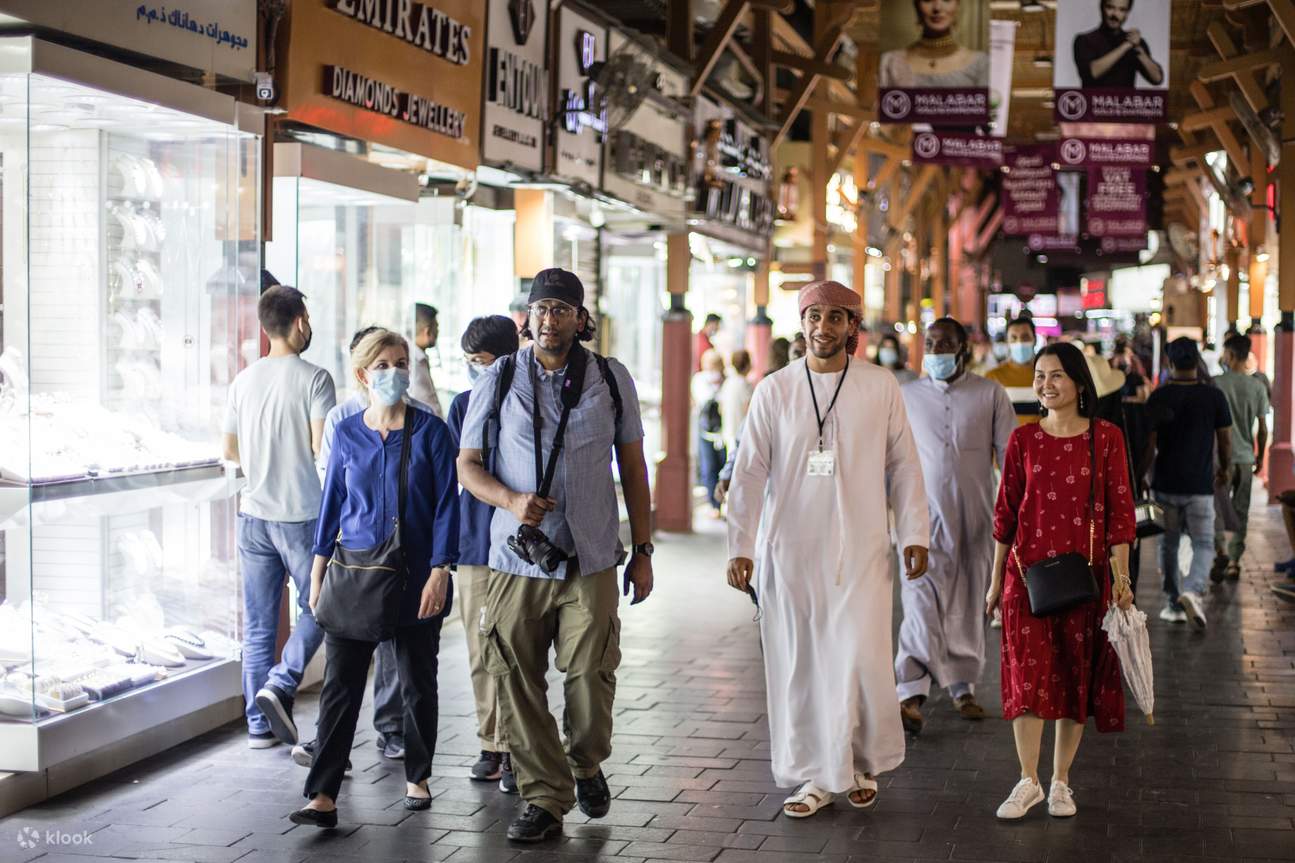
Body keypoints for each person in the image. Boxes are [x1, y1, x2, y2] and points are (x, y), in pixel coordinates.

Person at [457, 268, 654, 843]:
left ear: (579, 318)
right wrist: (510, 499)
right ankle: (544, 797)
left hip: (590, 554)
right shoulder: (499, 377)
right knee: (517, 678)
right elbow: (468, 465)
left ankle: (586, 760)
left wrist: (642, 550)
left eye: (561, 310)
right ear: (527, 316)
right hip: (517, 560)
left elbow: (634, 468)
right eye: (540, 309)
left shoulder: (610, 379)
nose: (549, 319)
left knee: (590, 674)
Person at [725, 280, 929, 819]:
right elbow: (748, 473)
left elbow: (904, 464)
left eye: (836, 318)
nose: (823, 327)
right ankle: (815, 775)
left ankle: (857, 761)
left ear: (852, 327)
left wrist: (914, 534)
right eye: (815, 316)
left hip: (862, 549)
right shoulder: (774, 390)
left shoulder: (879, 385)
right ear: (803, 324)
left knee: (858, 659)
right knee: (804, 664)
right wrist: (740, 544)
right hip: (791, 551)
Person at [290, 330, 459, 829]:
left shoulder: (431, 433)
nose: (395, 372)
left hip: (414, 578)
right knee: (340, 688)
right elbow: (331, 510)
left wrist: (440, 572)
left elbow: (449, 507)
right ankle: (321, 794)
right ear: (363, 375)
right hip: (356, 577)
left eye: (401, 362)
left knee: (415, 683)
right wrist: (317, 579)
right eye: (383, 364)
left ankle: (418, 776)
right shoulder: (345, 434)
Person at [986, 342, 1136, 822]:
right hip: (1026, 580)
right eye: (1039, 376)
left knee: (1074, 678)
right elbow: (1004, 517)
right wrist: (993, 584)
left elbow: (1120, 515)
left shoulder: (1106, 437)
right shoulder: (1022, 441)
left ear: (1078, 383)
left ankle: (1060, 783)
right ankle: (1026, 780)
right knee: (1027, 681)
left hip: (1085, 581)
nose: (1045, 385)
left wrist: (1122, 577)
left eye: (1055, 376)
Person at [222, 285, 336, 750]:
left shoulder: (242, 381)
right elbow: (321, 447)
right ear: (298, 322)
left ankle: (257, 725)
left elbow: (229, 451)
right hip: (302, 515)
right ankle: (283, 681)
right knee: (321, 609)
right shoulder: (315, 378)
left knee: (258, 625)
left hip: (252, 515)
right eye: (307, 318)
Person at [896, 318, 1014, 734]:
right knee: (919, 604)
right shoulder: (905, 396)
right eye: (930, 344)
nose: (936, 351)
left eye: (944, 344)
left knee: (968, 604)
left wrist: (1014, 515)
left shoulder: (990, 394)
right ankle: (910, 691)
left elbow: (1010, 458)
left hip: (976, 520)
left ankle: (963, 685)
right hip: (920, 521)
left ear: (963, 348)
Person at [447, 315, 521, 794]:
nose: (477, 371)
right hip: (474, 542)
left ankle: (518, 746)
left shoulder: (527, 400)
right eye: (470, 362)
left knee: (515, 651)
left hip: (517, 546)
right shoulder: (462, 405)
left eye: (484, 362)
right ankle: (491, 743)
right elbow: (457, 472)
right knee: (479, 650)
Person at [1141, 337, 1232, 628]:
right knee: (1204, 542)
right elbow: (1225, 439)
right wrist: (1225, 469)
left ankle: (1173, 601)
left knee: (1168, 545)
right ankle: (1193, 589)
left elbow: (1149, 444)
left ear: (1169, 362)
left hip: (1165, 483)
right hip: (1200, 486)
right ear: (1197, 362)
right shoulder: (1213, 396)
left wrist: (1143, 475)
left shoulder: (1159, 396)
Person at [1212, 334, 1269, 582]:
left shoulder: (1215, 384)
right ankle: (1235, 562)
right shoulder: (1257, 386)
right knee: (1241, 509)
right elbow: (1263, 428)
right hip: (1246, 457)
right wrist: (1260, 456)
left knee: (1215, 509)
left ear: (1231, 356)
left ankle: (1220, 551)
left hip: (1220, 458)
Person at [879, 0, 989, 89]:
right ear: (917, 6)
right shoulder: (890, 62)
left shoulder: (980, 63)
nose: (937, 8)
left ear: (957, 5)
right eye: (928, 0)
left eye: (946, 0)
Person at [1072, 0, 1165, 89]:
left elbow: (1157, 79)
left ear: (1127, 13)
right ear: (1101, 7)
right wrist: (1126, 45)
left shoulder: (1136, 43)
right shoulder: (1084, 40)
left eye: (1122, 10)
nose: (1115, 14)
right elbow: (1091, 73)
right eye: (1110, 7)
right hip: (1095, 104)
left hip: (1125, 104)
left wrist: (1140, 51)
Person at [987, 316, 1041, 425]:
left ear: (1034, 339)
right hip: (1006, 441)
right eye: (1013, 338)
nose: (1020, 342)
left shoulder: (1046, 375)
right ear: (1008, 342)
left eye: (1025, 337)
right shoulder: (993, 377)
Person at [693, 350, 728, 519]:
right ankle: (714, 504)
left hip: (723, 433)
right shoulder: (700, 380)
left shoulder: (727, 381)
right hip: (706, 432)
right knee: (709, 469)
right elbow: (703, 400)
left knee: (724, 467)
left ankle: (722, 503)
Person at [410, 302, 443, 417]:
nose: (438, 332)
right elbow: (426, 401)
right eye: (437, 327)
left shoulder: (419, 357)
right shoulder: (412, 362)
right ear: (427, 331)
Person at [720, 349, 756, 456]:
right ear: (747, 364)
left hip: (728, 430)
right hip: (742, 433)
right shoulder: (745, 384)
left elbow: (721, 408)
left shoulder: (727, 383)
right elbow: (748, 409)